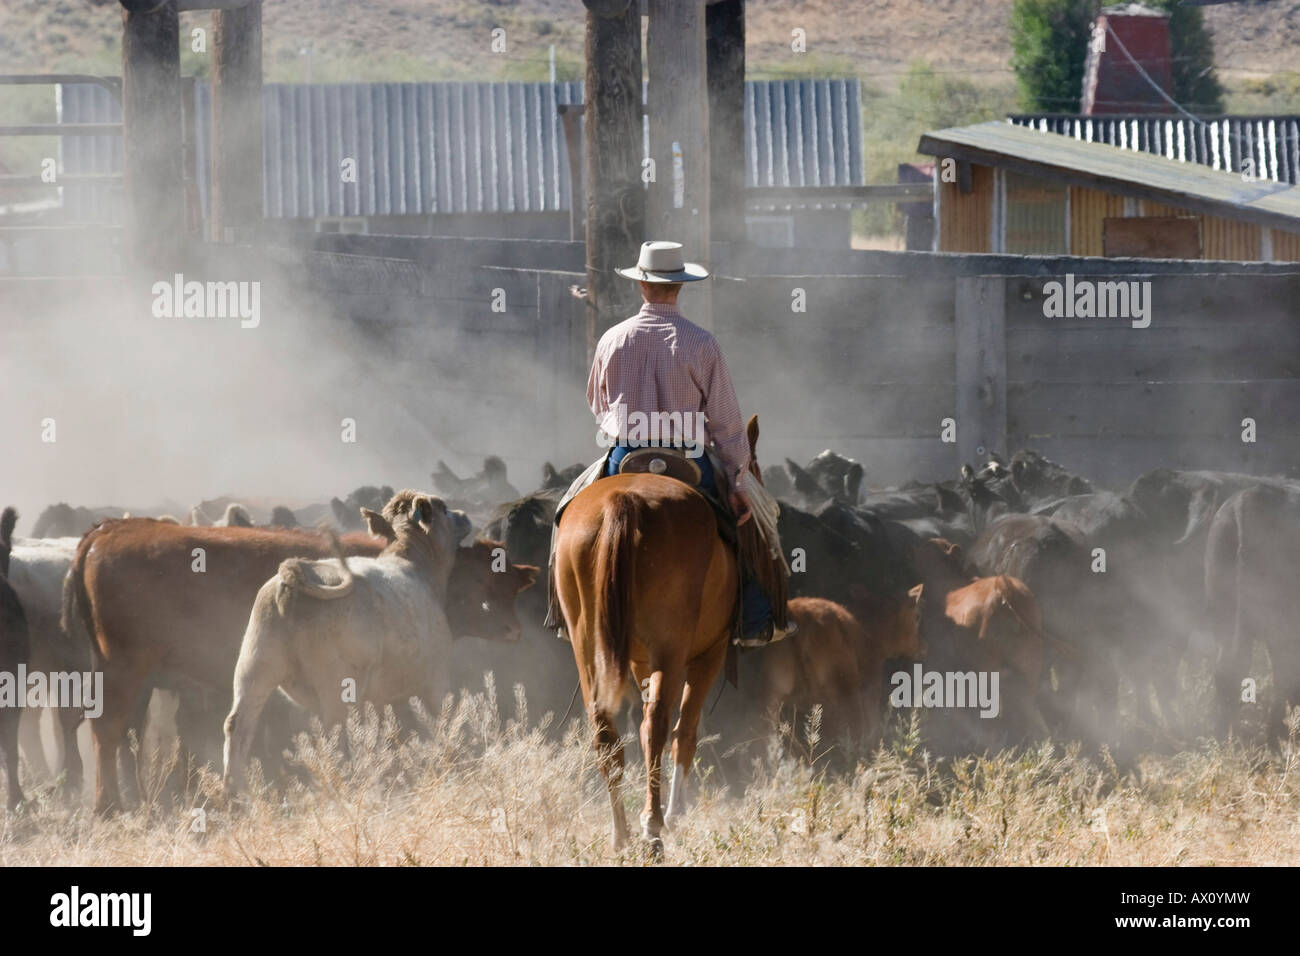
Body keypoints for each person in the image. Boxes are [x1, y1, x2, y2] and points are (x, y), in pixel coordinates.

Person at [576, 239, 795, 648]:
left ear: (642, 284)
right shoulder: (701, 343)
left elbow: (596, 402)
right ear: (680, 286)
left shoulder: (612, 339)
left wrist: (622, 422)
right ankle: (754, 618)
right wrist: (740, 485)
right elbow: (729, 426)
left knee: (566, 516)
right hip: (690, 461)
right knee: (747, 530)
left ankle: (562, 611)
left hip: (625, 453)